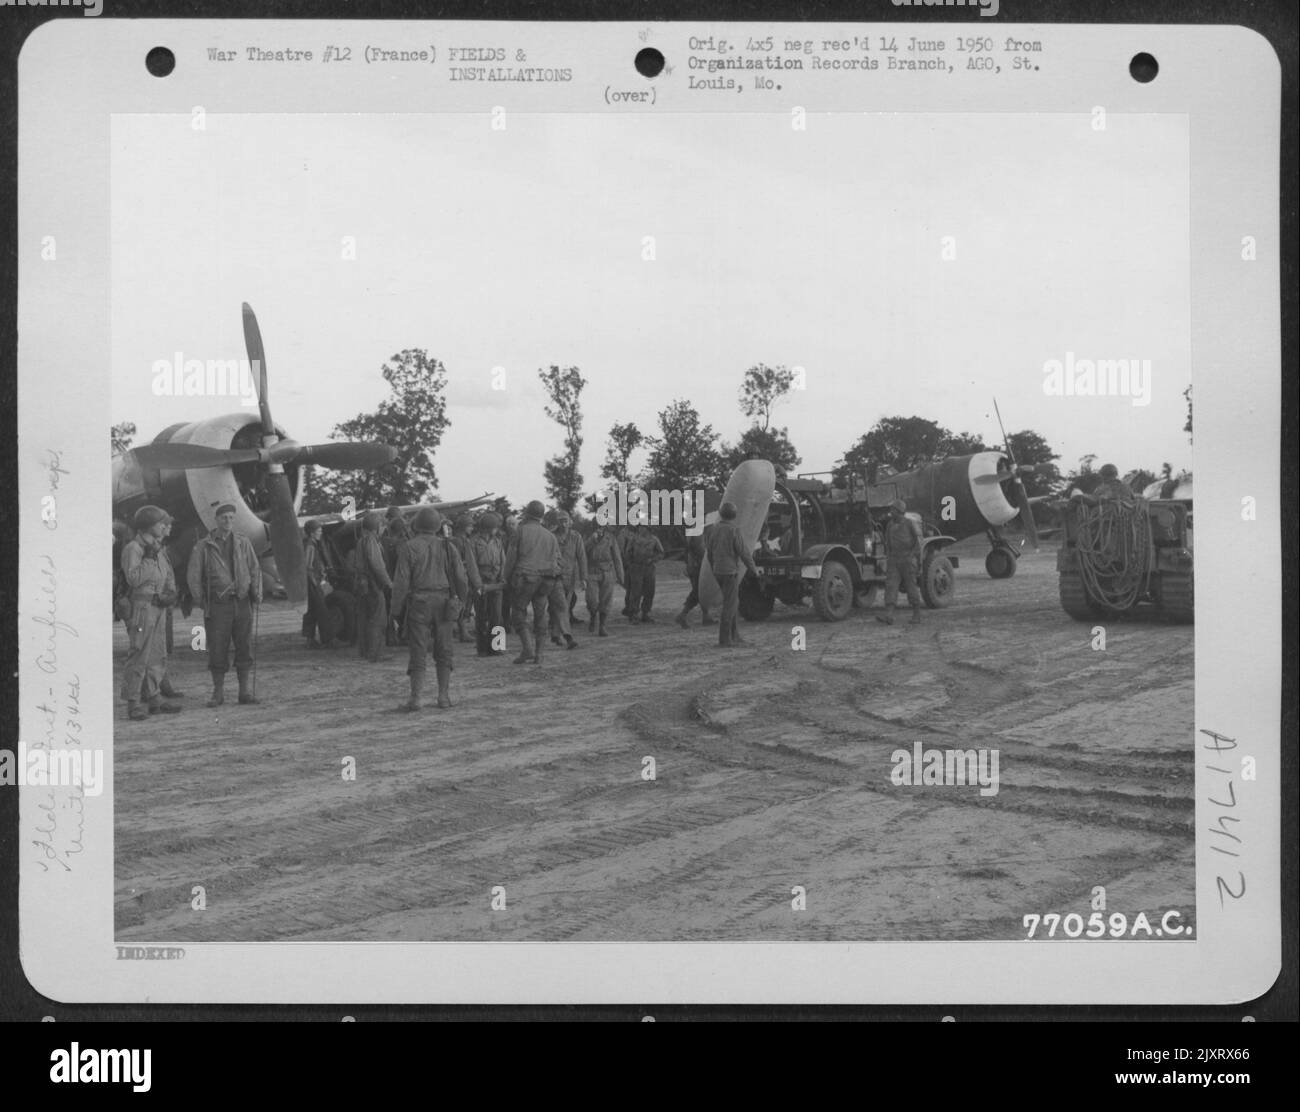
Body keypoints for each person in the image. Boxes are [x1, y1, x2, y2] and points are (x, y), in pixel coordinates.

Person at [391, 507, 468, 711]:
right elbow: (461, 578)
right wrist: (463, 602)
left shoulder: (408, 547)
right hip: (444, 602)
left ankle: (416, 699)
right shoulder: (448, 547)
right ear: (437, 526)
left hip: (418, 602)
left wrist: (395, 610)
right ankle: (443, 697)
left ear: (416, 525)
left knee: (418, 650)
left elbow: (400, 583)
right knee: (444, 650)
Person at [187, 503, 263, 706]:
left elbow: (254, 568)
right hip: (218, 605)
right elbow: (193, 575)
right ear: (216, 520)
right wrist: (201, 600)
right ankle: (218, 693)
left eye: (231, 517)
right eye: (223, 518)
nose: (228, 521)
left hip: (242, 602)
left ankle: (244, 692)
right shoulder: (203, 546)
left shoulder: (243, 542)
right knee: (217, 648)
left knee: (244, 646)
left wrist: (256, 593)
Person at [120, 506, 182, 720]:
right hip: (142, 608)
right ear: (147, 525)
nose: (165, 527)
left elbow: (165, 575)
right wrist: (148, 558)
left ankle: (154, 697)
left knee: (157, 654)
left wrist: (170, 593)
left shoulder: (157, 548)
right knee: (139, 655)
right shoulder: (134, 549)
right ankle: (134, 702)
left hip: (158, 606)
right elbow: (133, 579)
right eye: (160, 523)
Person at [502, 500, 560, 665]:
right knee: (540, 615)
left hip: (525, 579)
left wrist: (505, 577)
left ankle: (527, 649)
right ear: (541, 516)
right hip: (546, 581)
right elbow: (556, 560)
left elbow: (511, 559)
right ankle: (539, 654)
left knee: (519, 613)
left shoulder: (519, 532)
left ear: (527, 514)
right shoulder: (550, 536)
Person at [705, 502, 759, 647]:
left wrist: (714, 567)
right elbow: (744, 553)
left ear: (721, 513)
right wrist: (753, 569)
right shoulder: (733, 530)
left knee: (733, 602)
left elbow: (709, 553)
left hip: (718, 571)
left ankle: (735, 636)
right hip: (730, 572)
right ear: (734, 515)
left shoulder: (714, 530)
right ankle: (725, 640)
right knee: (730, 605)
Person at [877, 498, 923, 626]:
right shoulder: (890, 525)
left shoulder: (909, 523)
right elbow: (887, 542)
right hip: (894, 560)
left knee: (911, 587)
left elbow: (918, 543)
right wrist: (888, 557)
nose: (891, 512)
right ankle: (889, 615)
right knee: (891, 586)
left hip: (907, 560)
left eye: (893, 510)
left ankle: (916, 614)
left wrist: (913, 557)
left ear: (899, 511)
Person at [355, 511, 394, 662]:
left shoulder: (361, 540)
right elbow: (377, 565)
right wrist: (388, 583)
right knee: (378, 619)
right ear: (375, 527)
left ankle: (366, 652)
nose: (384, 529)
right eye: (382, 526)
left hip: (363, 585)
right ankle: (376, 653)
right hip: (373, 585)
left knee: (365, 618)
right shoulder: (371, 541)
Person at [548, 512, 586, 649]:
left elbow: (581, 557)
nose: (563, 524)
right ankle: (567, 636)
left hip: (570, 578)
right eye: (560, 521)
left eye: (566, 521)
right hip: (554, 577)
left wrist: (584, 578)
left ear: (571, 522)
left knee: (562, 606)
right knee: (560, 606)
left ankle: (556, 634)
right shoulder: (550, 536)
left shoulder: (576, 537)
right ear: (557, 522)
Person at [470, 512, 506, 656]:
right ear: (489, 528)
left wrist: (503, 579)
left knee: (497, 616)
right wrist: (479, 586)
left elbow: (503, 561)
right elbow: (472, 566)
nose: (497, 530)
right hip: (481, 583)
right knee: (481, 616)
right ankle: (483, 648)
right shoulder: (472, 543)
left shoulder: (497, 541)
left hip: (496, 583)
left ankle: (498, 647)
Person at [584, 522, 624, 637]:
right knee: (592, 600)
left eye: (602, 526)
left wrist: (620, 575)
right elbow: (583, 552)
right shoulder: (589, 537)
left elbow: (617, 557)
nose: (600, 528)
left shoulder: (610, 538)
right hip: (592, 571)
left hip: (607, 572)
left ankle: (602, 626)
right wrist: (592, 540)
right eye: (597, 526)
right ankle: (592, 616)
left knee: (606, 600)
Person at [447, 513, 483, 643]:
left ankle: (461, 632)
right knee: (462, 603)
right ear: (463, 527)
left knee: (463, 603)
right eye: (470, 526)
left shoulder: (459, 540)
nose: (472, 529)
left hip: (461, 574)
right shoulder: (458, 541)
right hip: (461, 575)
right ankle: (462, 632)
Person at [381, 507, 412, 646]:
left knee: (389, 608)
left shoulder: (382, 541)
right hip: (398, 579)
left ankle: (391, 635)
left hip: (387, 579)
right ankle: (400, 634)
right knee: (402, 607)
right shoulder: (402, 543)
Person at [675, 526, 715, 628]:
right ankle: (683, 614)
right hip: (698, 566)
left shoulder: (692, 531)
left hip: (694, 565)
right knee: (698, 591)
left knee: (700, 590)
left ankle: (706, 616)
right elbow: (700, 550)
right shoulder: (696, 532)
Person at [624, 523, 665, 623]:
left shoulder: (654, 539)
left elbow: (661, 553)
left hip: (649, 568)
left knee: (649, 592)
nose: (640, 529)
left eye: (643, 527)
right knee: (635, 592)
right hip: (636, 567)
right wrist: (631, 565)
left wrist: (652, 559)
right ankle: (634, 614)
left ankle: (645, 613)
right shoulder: (634, 539)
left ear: (648, 529)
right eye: (639, 527)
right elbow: (627, 552)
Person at [302, 519, 328, 648]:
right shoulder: (311, 546)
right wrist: (315, 583)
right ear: (312, 533)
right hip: (312, 582)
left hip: (311, 582)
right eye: (319, 530)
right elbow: (307, 567)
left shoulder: (310, 544)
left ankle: (309, 639)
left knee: (311, 611)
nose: (321, 532)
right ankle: (326, 639)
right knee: (321, 609)